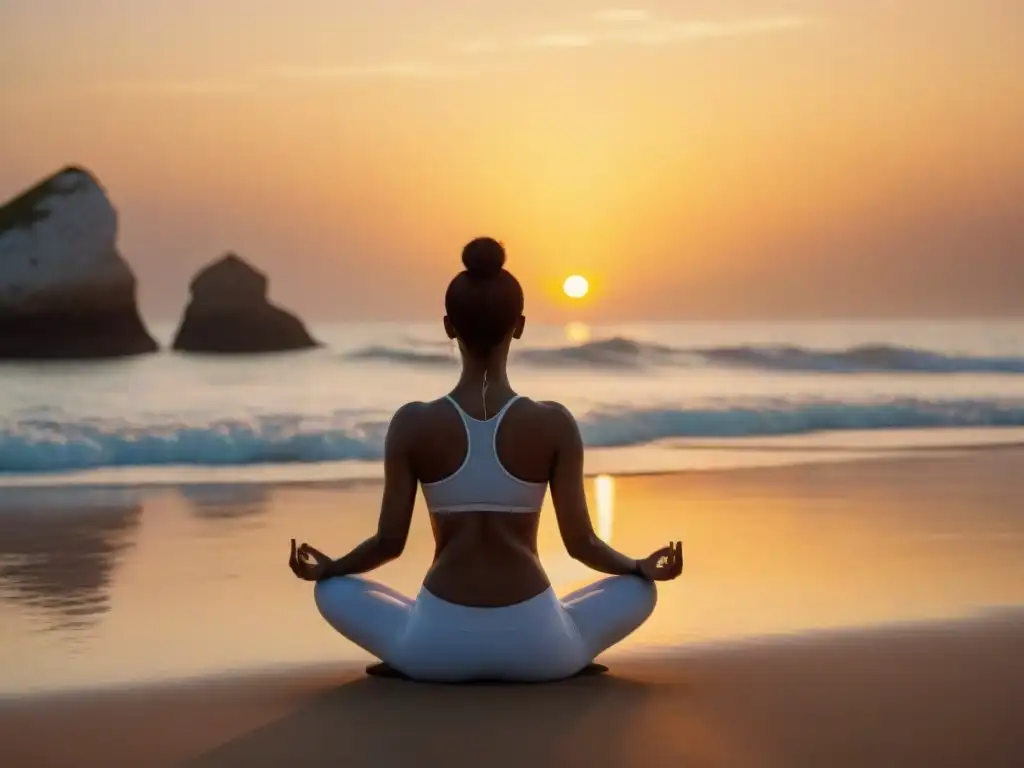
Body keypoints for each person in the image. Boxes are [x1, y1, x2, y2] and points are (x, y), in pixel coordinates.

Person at [288, 237, 683, 682]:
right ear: (519, 326)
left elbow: (388, 544)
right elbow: (582, 545)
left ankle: (406, 650)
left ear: (448, 326)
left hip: (434, 651)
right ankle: (568, 650)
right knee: (639, 591)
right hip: (541, 650)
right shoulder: (553, 423)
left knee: (333, 590)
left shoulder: (413, 423)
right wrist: (638, 567)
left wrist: (332, 567)